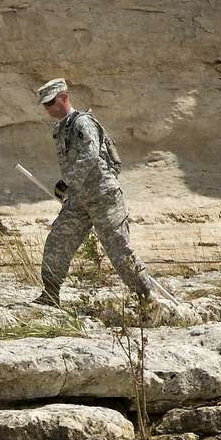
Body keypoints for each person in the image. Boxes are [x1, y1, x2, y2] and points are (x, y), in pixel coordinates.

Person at [34, 78, 159, 310]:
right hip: (79, 200)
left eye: (51, 102)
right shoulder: (61, 128)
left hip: (104, 197)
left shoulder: (83, 123)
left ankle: (148, 302)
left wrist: (67, 181)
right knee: (57, 242)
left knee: (119, 250)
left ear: (64, 97)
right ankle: (50, 296)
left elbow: (90, 155)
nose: (48, 108)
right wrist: (70, 189)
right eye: (45, 104)